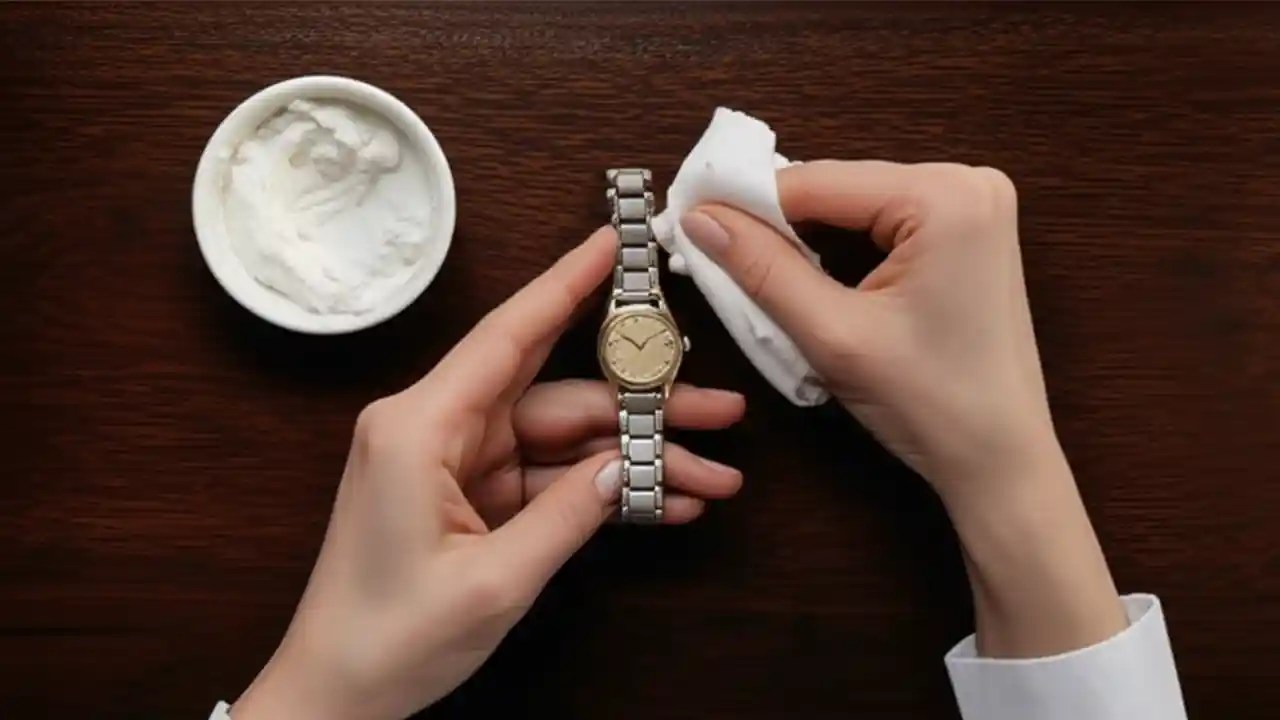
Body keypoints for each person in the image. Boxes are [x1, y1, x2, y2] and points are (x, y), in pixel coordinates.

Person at [212, 161, 1187, 720]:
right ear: (643, 342)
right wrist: (1003, 468)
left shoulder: (641, 343)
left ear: (660, 346)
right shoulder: (642, 340)